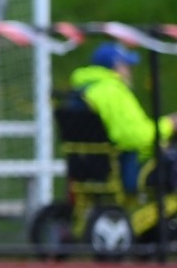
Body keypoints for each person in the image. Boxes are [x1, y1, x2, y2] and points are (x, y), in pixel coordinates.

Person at [68, 42, 175, 196]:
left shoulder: (82, 91)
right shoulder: (111, 91)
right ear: (117, 66)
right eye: (127, 66)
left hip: (88, 170)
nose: (130, 71)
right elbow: (133, 137)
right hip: (129, 170)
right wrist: (170, 125)